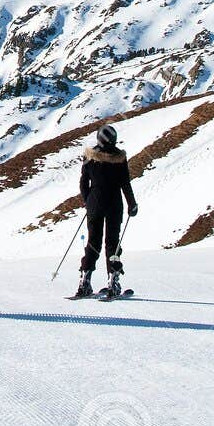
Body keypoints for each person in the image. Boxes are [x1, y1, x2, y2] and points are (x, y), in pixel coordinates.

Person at [74, 123, 138, 298]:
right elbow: (125, 183)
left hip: (95, 203)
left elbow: (83, 182)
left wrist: (88, 200)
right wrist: (132, 204)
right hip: (114, 205)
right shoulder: (119, 158)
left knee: (93, 242)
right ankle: (113, 281)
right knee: (112, 243)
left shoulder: (89, 156)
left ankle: (85, 281)